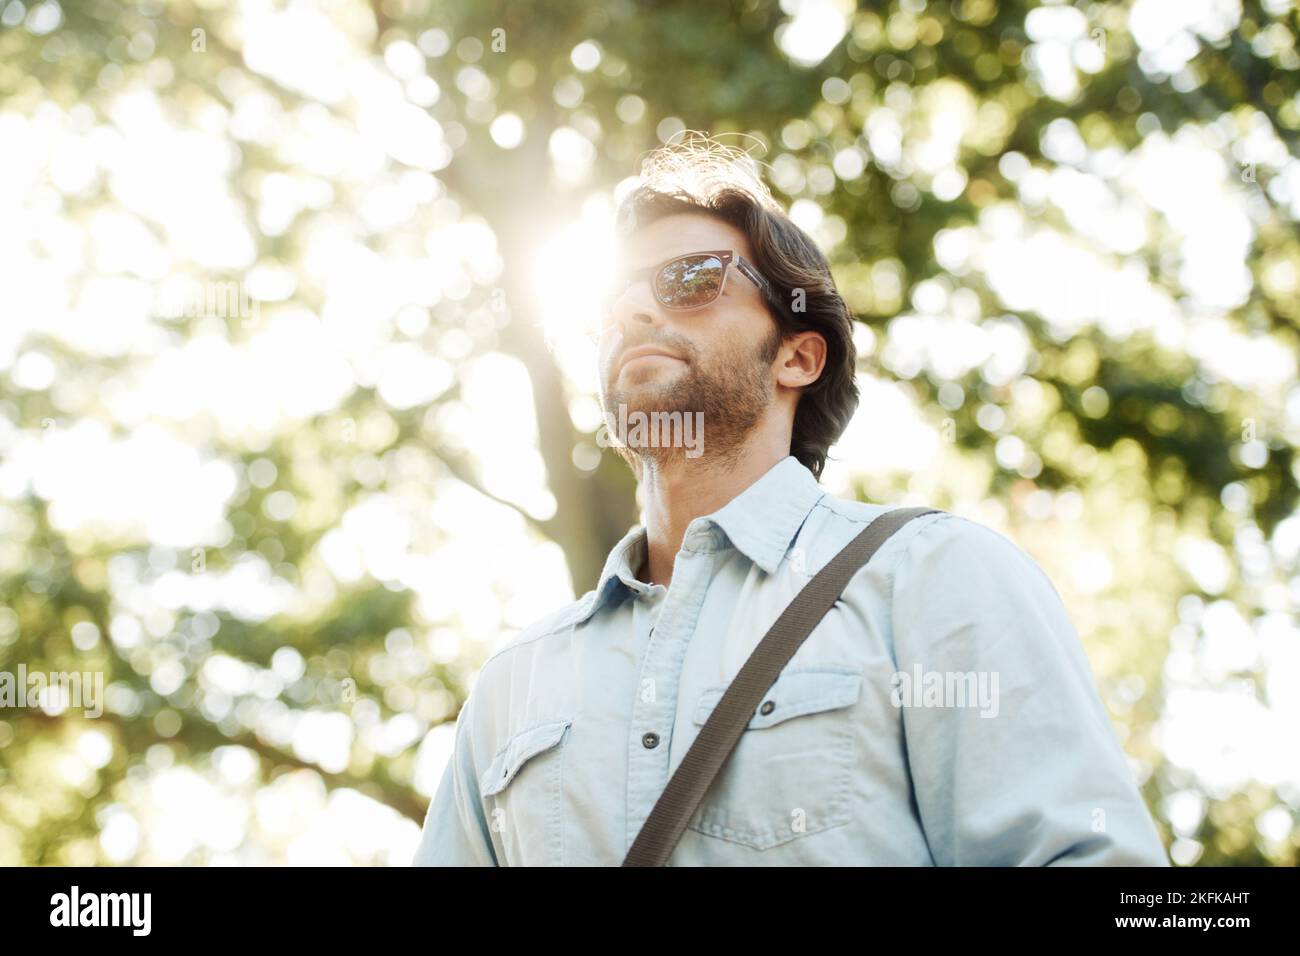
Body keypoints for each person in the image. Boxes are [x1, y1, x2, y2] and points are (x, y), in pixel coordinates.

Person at [412, 136, 1169, 866]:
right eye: (608, 304)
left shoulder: (934, 579)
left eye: (690, 279)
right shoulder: (513, 686)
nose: (635, 312)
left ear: (798, 356)